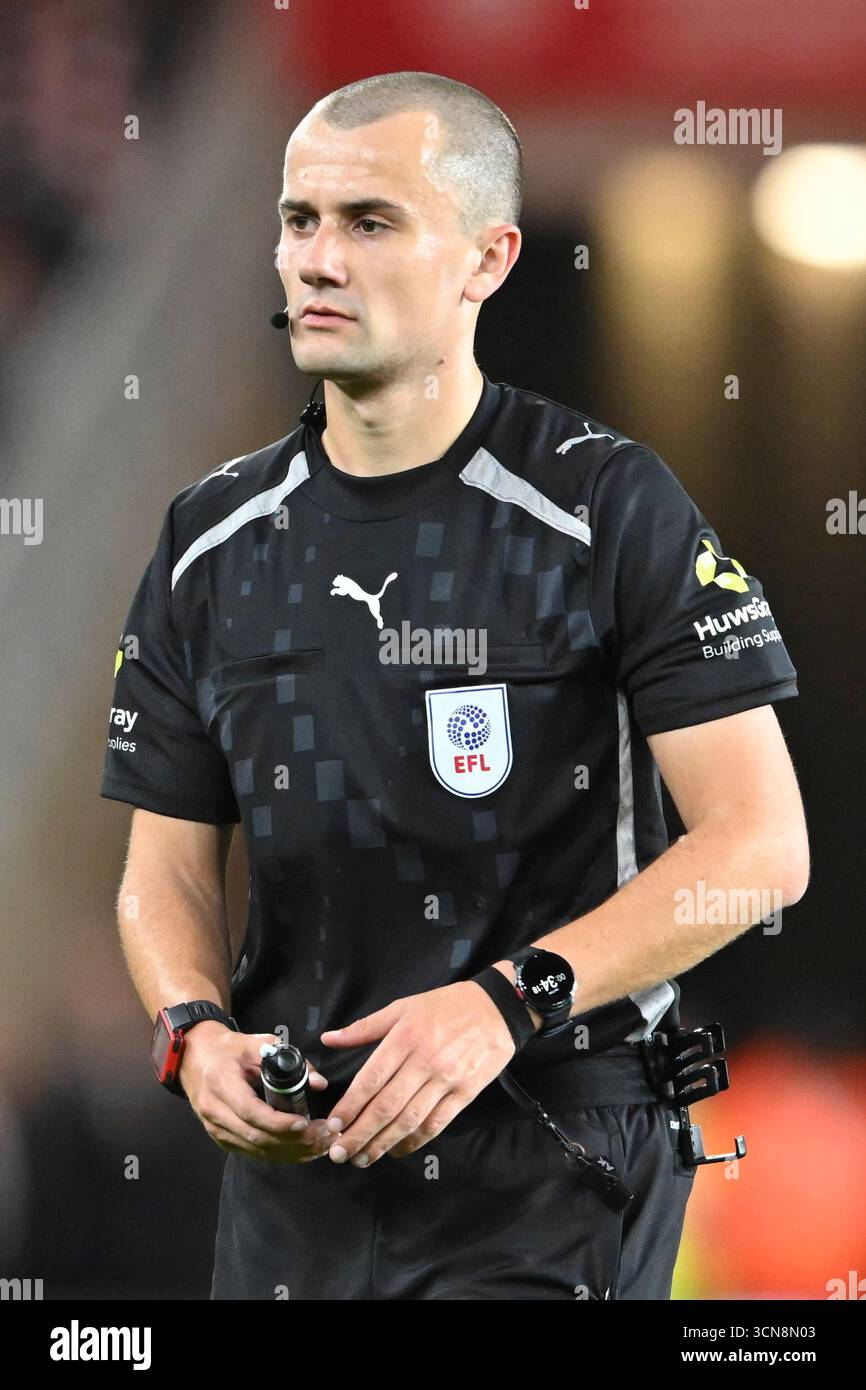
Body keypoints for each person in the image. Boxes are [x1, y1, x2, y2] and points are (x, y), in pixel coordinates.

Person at [100, 71, 810, 1300]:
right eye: (297, 220)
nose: (316, 259)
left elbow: (760, 847)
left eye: (369, 223)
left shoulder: (604, 506)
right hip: (298, 1164)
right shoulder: (208, 540)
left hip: (553, 1151)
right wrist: (190, 1030)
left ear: (487, 259)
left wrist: (501, 1001)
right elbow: (161, 873)